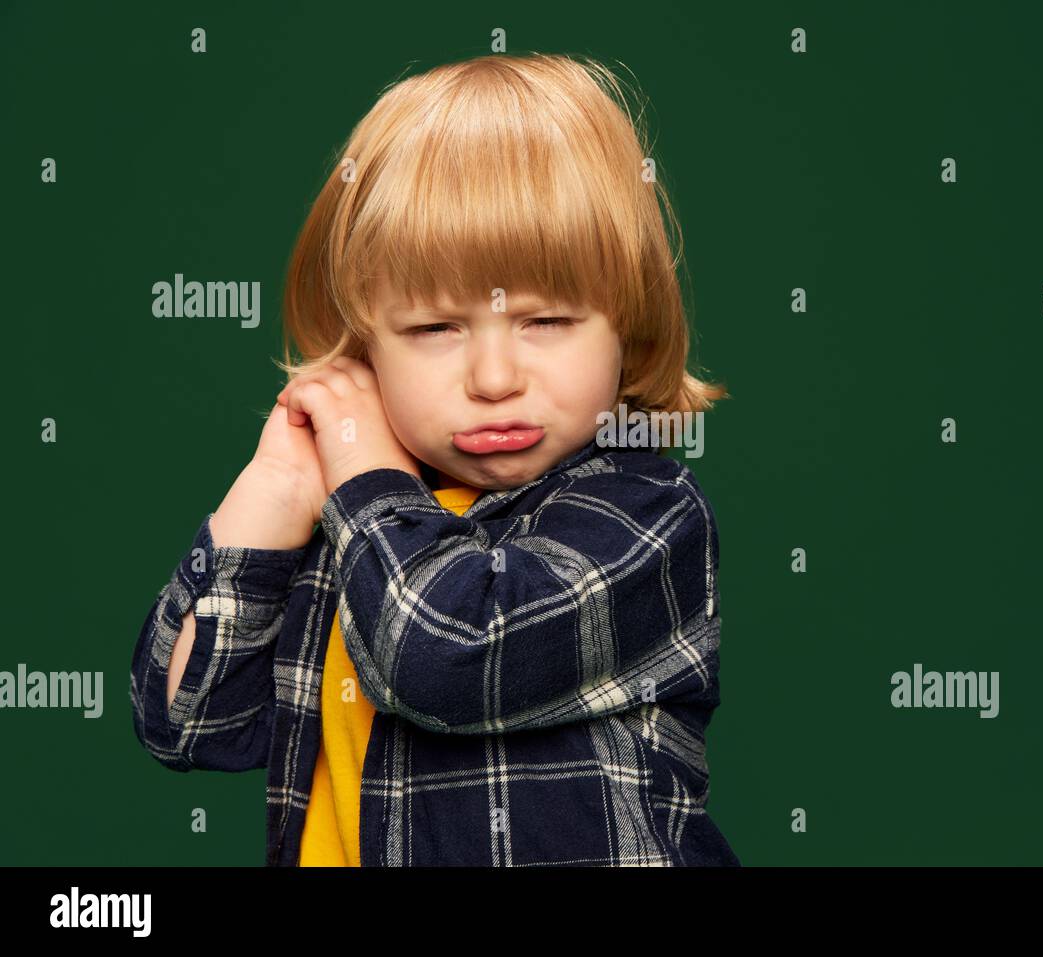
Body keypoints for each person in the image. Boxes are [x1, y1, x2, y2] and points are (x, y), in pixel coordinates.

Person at [129, 51, 739, 867]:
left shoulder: (642, 507)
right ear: (363, 347)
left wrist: (363, 478)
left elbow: (446, 652)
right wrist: (274, 493)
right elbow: (189, 721)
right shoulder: (356, 512)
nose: (494, 379)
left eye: (547, 320)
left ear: (627, 323)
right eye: (433, 330)